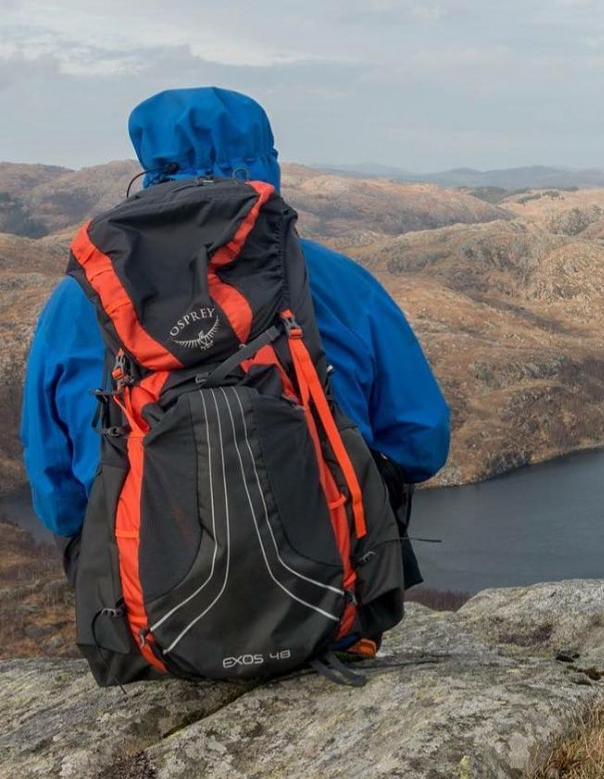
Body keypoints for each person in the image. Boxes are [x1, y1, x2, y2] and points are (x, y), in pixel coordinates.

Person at [20, 87, 450, 584]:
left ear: (149, 167)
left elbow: (56, 495)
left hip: (143, 612)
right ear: (264, 162)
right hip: (339, 597)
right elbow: (421, 442)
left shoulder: (80, 300)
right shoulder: (337, 279)